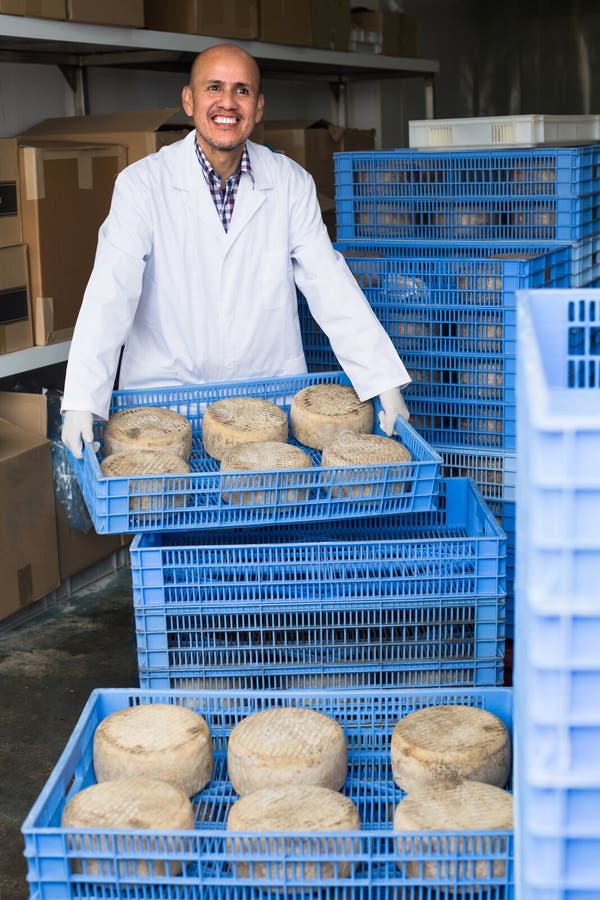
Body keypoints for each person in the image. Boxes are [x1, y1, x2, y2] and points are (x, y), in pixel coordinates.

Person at [61, 43, 411, 459]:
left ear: (258, 107)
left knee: (267, 498)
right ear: (189, 100)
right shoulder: (142, 185)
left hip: (264, 408)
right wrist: (82, 398)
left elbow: (330, 284)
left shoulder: (289, 183)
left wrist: (382, 380)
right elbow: (110, 292)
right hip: (165, 411)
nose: (227, 102)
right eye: (214, 87)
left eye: (242, 90)